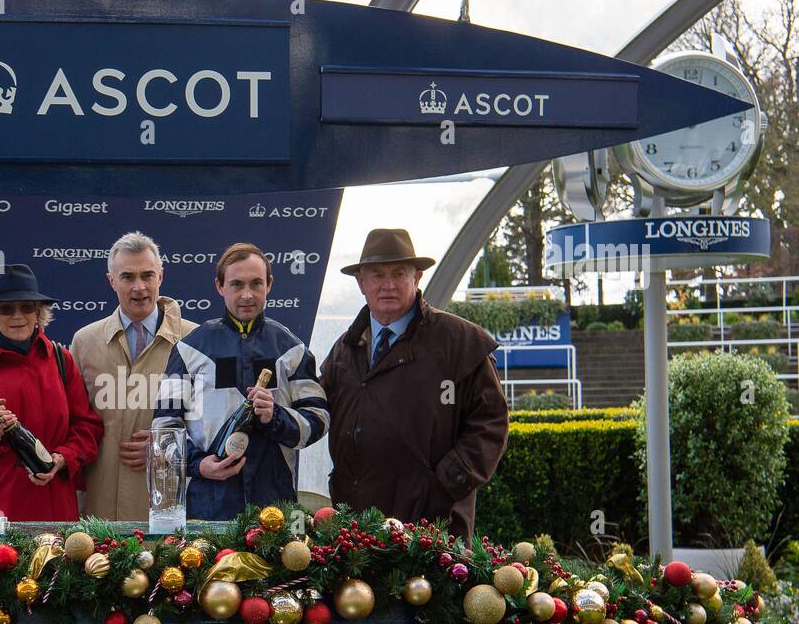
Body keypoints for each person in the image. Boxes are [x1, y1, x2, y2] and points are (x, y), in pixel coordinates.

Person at [319, 228, 509, 541]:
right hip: (356, 527)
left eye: (399, 273)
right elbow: (316, 410)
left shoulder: (459, 342)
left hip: (434, 526)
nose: (388, 285)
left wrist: (444, 484)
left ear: (417, 278)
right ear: (361, 283)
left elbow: (491, 423)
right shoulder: (345, 349)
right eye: (377, 275)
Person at [152, 242, 329, 519]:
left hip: (275, 506)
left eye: (256, 283)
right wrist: (198, 465)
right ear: (220, 286)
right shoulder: (189, 349)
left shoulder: (292, 349)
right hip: (208, 504)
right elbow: (163, 427)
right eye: (236, 284)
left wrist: (276, 416)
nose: (247, 294)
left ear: (269, 285)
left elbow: (318, 417)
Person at [0, 263, 104, 522]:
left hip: (53, 503)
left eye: (27, 307)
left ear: (38, 313)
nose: (18, 315)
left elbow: (87, 428)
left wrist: (61, 459)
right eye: (6, 308)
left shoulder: (61, 359)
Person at [69, 231, 198, 521]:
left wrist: (167, 448)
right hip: (100, 510)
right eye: (127, 277)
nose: (139, 287)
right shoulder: (84, 342)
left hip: (167, 510)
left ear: (160, 277)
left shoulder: (194, 341)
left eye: (147, 275)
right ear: (111, 281)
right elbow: (74, 424)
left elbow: (211, 427)